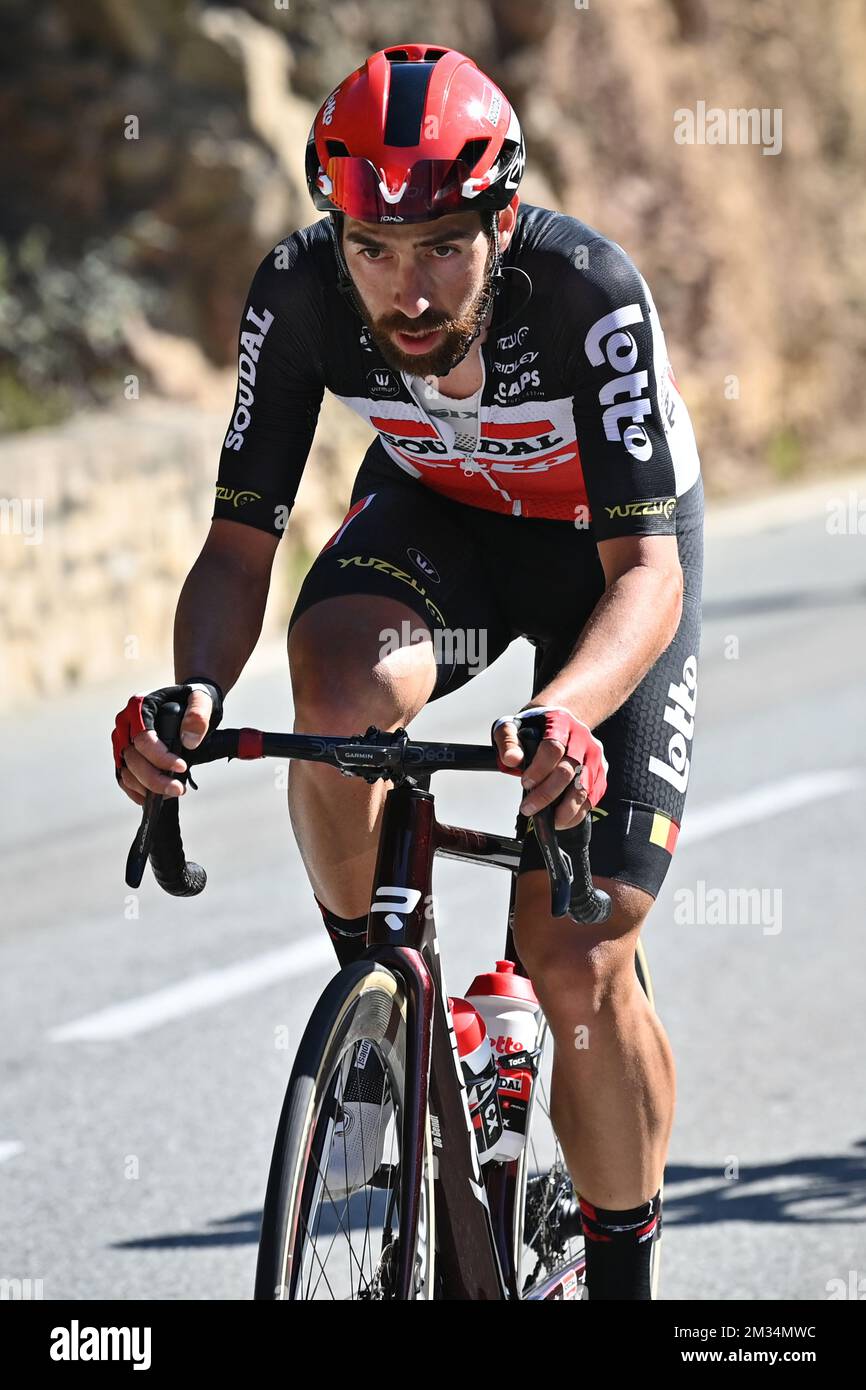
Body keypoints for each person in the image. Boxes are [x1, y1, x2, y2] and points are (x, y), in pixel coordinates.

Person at [112, 43, 703, 1300]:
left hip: (606, 566)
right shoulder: (298, 289)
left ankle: (619, 1278)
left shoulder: (584, 290)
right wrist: (195, 696)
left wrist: (565, 713)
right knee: (327, 685)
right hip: (444, 530)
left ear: (499, 221)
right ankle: (386, 1005)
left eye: (440, 243)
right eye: (372, 247)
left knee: (576, 955)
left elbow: (646, 575)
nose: (405, 287)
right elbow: (237, 540)